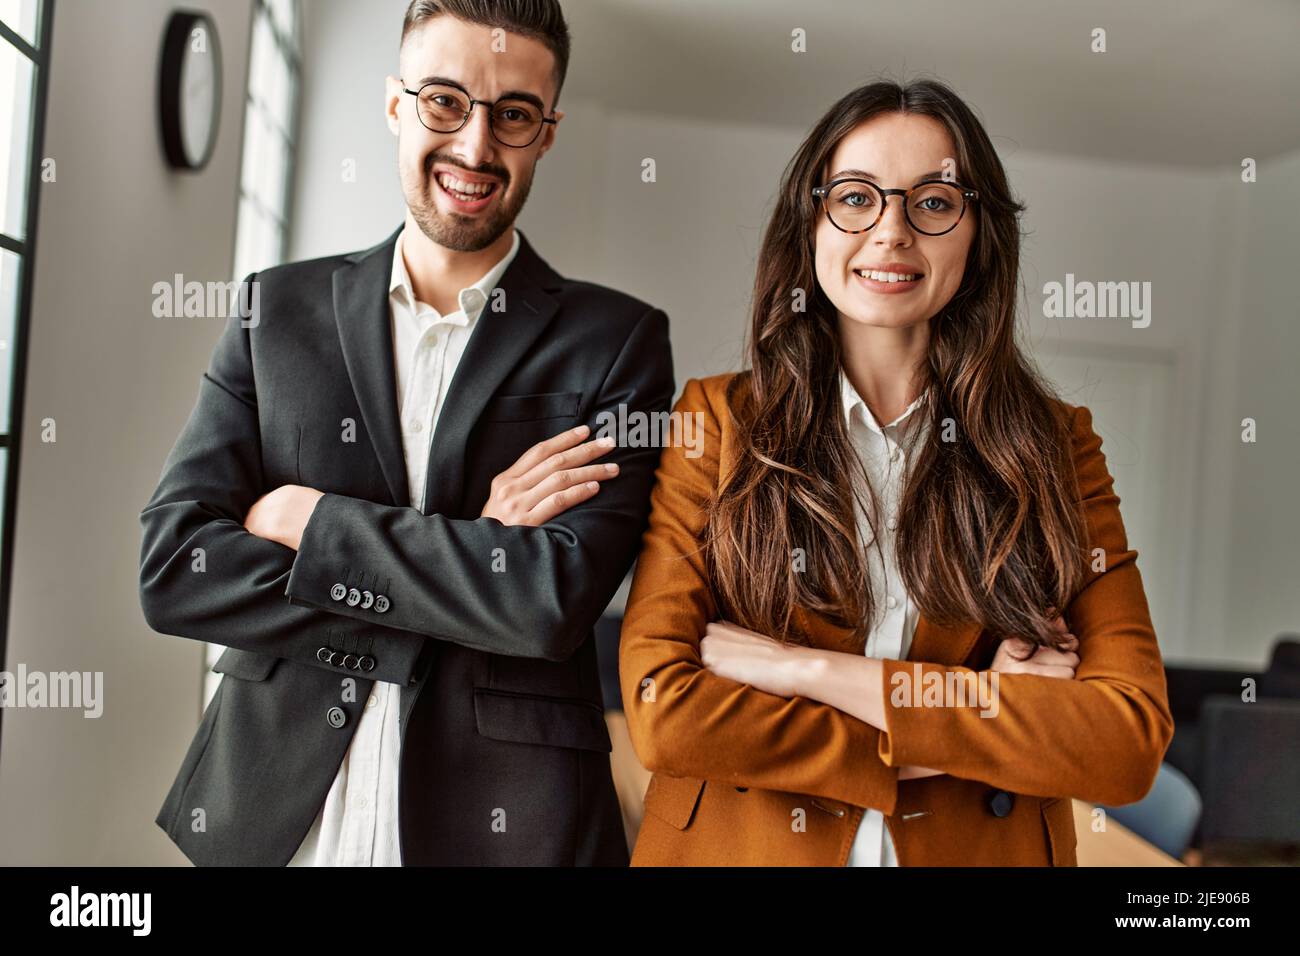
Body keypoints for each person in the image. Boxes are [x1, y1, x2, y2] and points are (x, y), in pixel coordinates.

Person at [140, 0, 673, 866]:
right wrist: (473, 557)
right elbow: (175, 570)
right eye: (444, 102)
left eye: (513, 114)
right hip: (275, 819)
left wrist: (314, 524)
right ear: (396, 105)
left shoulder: (616, 342)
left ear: (547, 132)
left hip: (508, 827)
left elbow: (548, 607)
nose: (474, 146)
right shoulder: (273, 312)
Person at [618, 78, 1173, 866]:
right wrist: (984, 713)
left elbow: (1125, 743)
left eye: (934, 203)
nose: (891, 232)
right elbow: (664, 712)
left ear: (978, 235)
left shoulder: (1056, 445)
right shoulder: (716, 422)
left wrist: (802, 670)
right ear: (809, 223)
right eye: (855, 197)